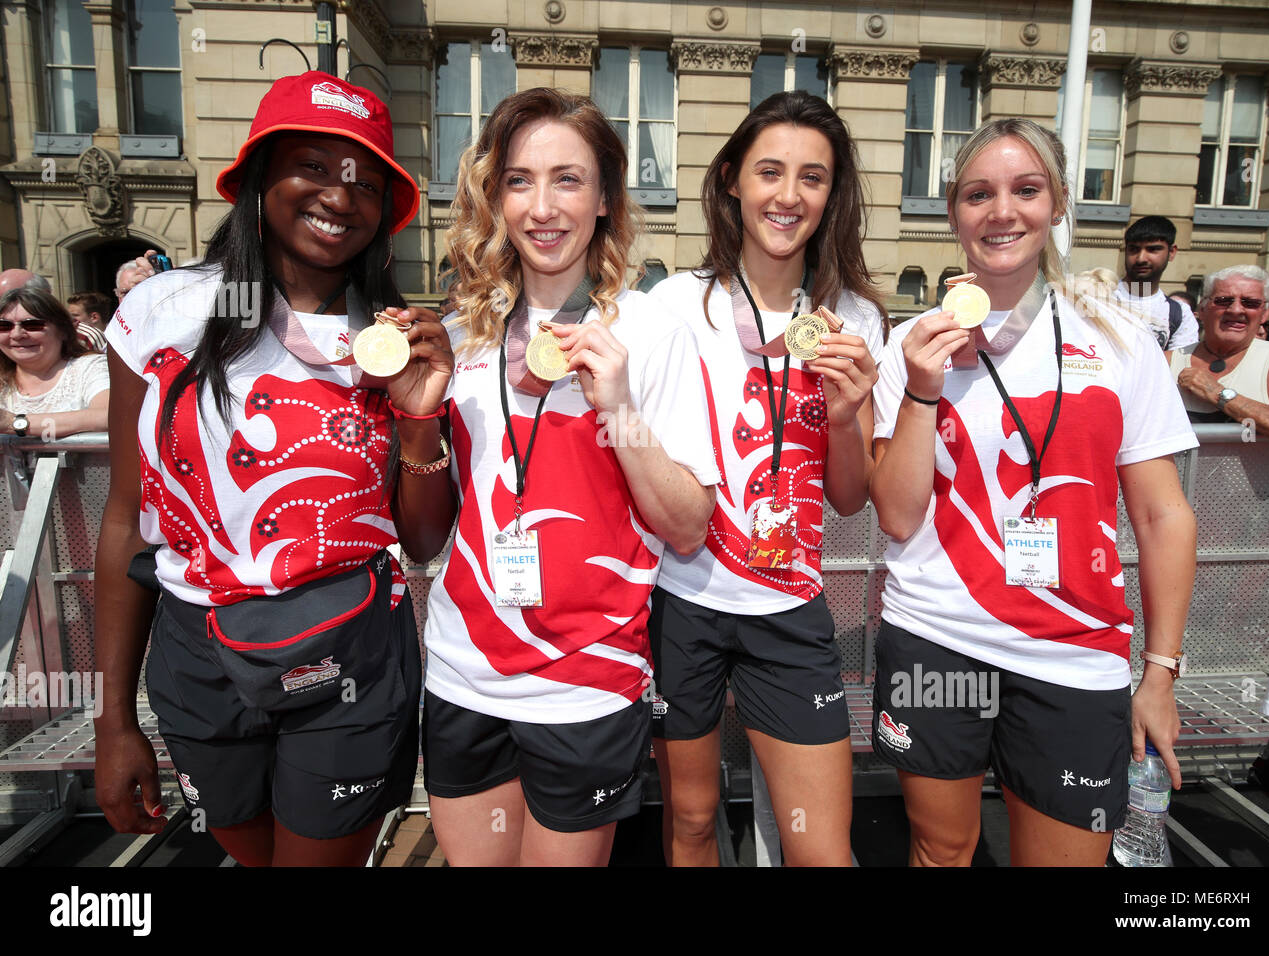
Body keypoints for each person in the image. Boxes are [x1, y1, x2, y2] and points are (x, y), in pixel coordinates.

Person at [94, 71, 444, 867]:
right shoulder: (160, 315)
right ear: (258, 178)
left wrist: (420, 417)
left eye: (362, 179)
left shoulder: (395, 341)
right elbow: (124, 514)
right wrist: (113, 720)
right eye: (311, 167)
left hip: (346, 652)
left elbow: (423, 542)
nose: (338, 195)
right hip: (195, 656)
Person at [870, 118, 1198, 866]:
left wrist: (1161, 672)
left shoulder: (1117, 339)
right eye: (978, 194)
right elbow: (894, 513)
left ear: (1056, 206)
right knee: (941, 850)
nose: (1002, 212)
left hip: (1074, 656)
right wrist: (922, 390)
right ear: (954, 212)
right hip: (937, 638)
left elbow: (1162, 512)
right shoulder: (914, 341)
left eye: (1026, 190)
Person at [422, 88, 719, 867]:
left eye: (568, 180)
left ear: (605, 199)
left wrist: (617, 408)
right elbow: (429, 524)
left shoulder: (653, 331)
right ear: (494, 196)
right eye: (518, 180)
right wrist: (417, 422)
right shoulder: (461, 331)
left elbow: (688, 526)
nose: (542, 207)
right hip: (463, 668)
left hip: (586, 681)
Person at [646, 91, 886, 867]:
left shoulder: (853, 317)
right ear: (731, 181)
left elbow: (850, 497)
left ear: (833, 193)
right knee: (689, 821)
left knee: (820, 846)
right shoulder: (678, 307)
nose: (788, 196)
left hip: (790, 608)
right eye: (770, 172)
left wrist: (848, 414)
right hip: (682, 602)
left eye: (812, 177)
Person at [1169, 265, 1269, 453]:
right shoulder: (1165, 362)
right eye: (1223, 301)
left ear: (1264, 312)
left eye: (1250, 303)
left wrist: (1218, 394)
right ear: (1202, 309)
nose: (1236, 309)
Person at [0, 289, 108, 438]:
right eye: (4, 326)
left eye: (32, 325)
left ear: (63, 330)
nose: (17, 334)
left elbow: (107, 416)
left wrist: (14, 423)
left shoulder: (90, 367)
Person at [1116, 215, 1198, 355]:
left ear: (1171, 252)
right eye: (1134, 249)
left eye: (1152, 249)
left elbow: (1178, 367)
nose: (1141, 258)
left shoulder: (1180, 314)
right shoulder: (1094, 297)